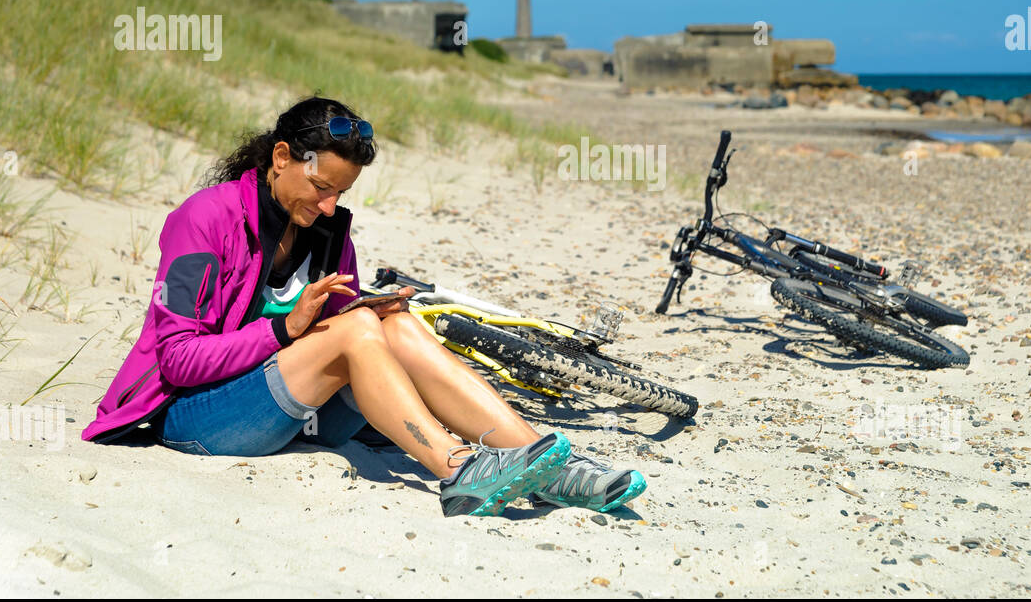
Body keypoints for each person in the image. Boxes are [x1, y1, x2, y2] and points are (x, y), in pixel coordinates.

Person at [81, 94, 646, 517]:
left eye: (341, 195)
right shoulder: (201, 220)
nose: (329, 207)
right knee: (354, 331)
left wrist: (365, 314)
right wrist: (286, 329)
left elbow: (340, 339)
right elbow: (177, 360)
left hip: (297, 413)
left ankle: (545, 463)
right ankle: (459, 470)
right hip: (196, 416)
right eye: (321, 187)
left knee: (389, 323)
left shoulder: (329, 234)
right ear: (282, 157)